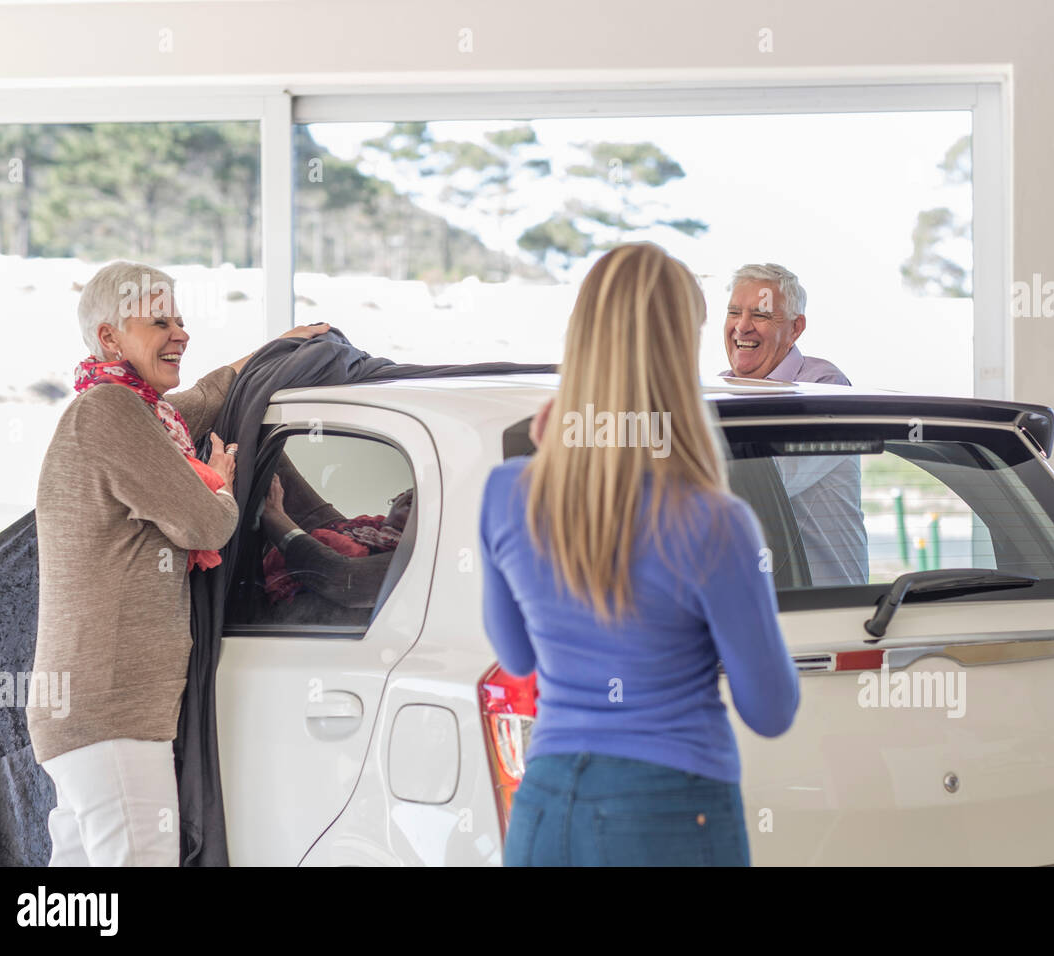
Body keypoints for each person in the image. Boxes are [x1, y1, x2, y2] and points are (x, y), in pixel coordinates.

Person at [479, 243, 800, 867]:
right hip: (670, 812)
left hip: (546, 809)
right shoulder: (713, 520)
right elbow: (771, 710)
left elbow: (517, 657)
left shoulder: (507, 493)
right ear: (679, 352)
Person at [26, 259, 330, 866]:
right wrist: (218, 482)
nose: (181, 333)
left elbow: (204, 400)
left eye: (183, 320)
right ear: (109, 337)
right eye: (159, 321)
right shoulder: (109, 412)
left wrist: (271, 352)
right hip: (113, 707)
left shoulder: (134, 414)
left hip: (88, 709)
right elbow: (206, 523)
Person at [721, 263, 869, 586]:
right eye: (734, 312)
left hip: (827, 612)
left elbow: (764, 481)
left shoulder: (825, 386)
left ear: (795, 328)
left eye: (759, 315)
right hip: (750, 606)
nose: (742, 327)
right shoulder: (717, 391)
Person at [258, 470, 413, 610]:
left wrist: (275, 516)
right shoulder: (350, 527)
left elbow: (343, 577)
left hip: (298, 632)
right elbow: (292, 488)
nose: (426, 500)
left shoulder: (413, 561)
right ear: (399, 496)